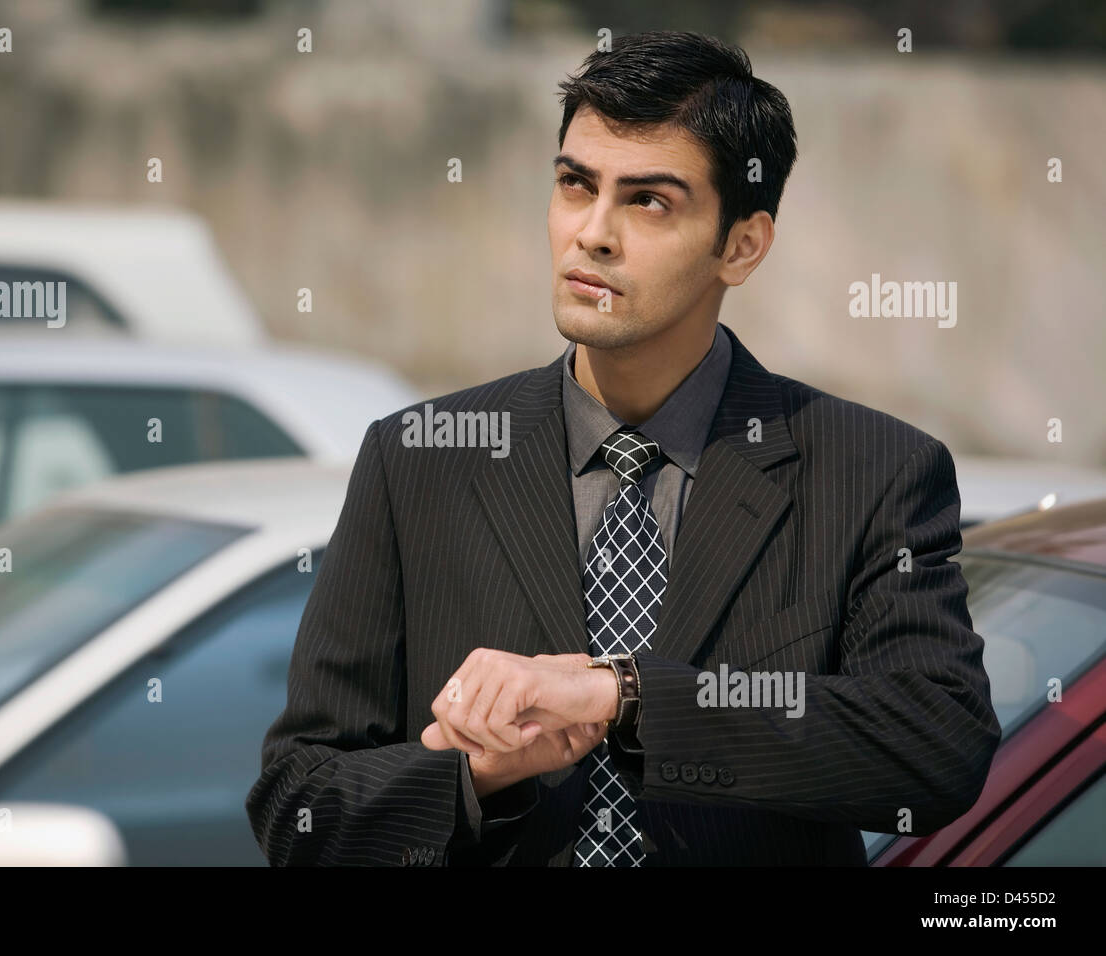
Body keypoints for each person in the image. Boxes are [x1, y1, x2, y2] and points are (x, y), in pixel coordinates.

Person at [246, 30, 1001, 866]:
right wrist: (473, 778)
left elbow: (936, 750)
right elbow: (299, 804)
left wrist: (625, 696)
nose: (593, 234)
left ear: (742, 245)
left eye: (650, 201)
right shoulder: (418, 458)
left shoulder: (870, 471)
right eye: (576, 185)